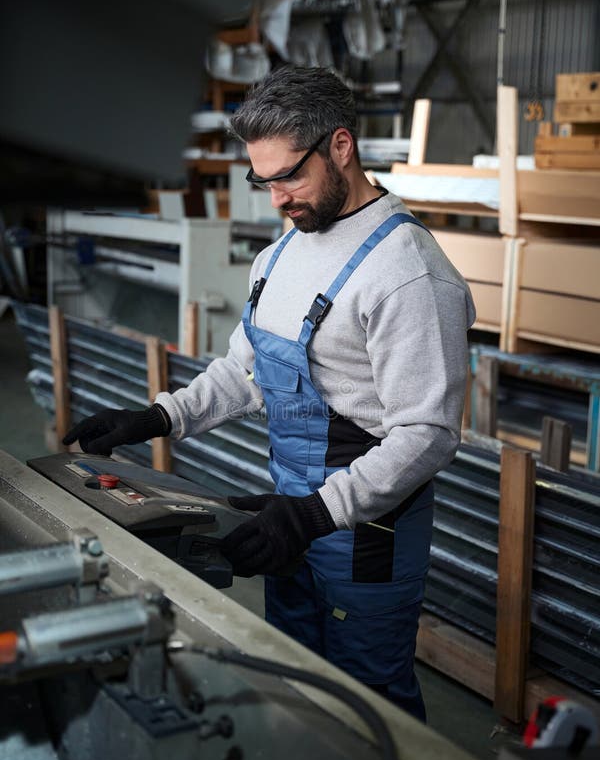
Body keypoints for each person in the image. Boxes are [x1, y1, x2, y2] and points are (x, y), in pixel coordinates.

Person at [63, 65, 475, 721]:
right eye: (264, 180)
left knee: (374, 710)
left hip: (365, 537)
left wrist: (311, 516)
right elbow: (245, 372)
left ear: (341, 146)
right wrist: (155, 417)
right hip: (288, 522)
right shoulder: (282, 254)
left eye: (289, 175)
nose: (276, 198)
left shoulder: (407, 275)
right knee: (300, 690)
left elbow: (426, 435)